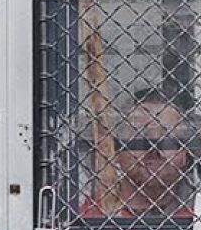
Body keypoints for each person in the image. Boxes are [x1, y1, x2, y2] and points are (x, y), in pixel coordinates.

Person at [81, 89, 193, 218]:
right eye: (140, 135)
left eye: (167, 137)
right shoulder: (90, 217)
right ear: (116, 151)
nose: (153, 148)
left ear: (184, 153)